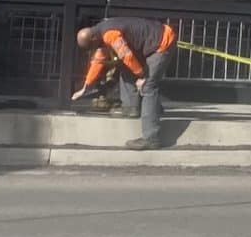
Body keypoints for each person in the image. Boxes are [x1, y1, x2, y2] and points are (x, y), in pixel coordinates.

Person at [72, 15, 178, 149]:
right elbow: (98, 61)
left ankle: (151, 138)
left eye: (91, 47)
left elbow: (127, 55)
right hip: (150, 42)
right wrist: (86, 87)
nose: (93, 50)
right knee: (125, 67)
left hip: (162, 42)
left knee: (148, 86)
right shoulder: (99, 33)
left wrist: (141, 76)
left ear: (93, 39)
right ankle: (131, 107)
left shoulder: (110, 34)